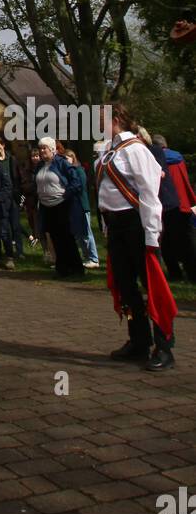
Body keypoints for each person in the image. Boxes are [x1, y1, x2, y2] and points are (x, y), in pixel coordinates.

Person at [97, 105, 177, 371]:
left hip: (136, 225)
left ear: (116, 120)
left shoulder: (136, 150)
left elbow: (149, 194)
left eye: (101, 120)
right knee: (126, 288)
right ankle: (138, 340)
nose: (96, 124)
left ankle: (164, 346)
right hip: (116, 226)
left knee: (151, 286)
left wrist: (152, 235)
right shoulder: (106, 151)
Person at [35, 137, 84, 278]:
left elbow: (76, 182)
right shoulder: (40, 166)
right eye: (40, 148)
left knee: (67, 237)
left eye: (45, 148)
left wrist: (65, 195)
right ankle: (62, 268)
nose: (42, 150)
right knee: (55, 238)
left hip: (62, 206)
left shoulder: (61, 163)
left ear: (52, 149)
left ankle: (76, 268)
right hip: (46, 207)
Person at [150, 133, 196, 283]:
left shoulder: (157, 159)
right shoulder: (179, 158)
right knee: (186, 240)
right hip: (183, 203)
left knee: (167, 242)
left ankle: (175, 273)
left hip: (169, 204)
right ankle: (191, 273)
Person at [64, 149, 99, 266]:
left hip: (81, 205)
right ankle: (86, 257)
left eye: (67, 158)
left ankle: (94, 258)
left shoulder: (79, 170)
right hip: (72, 206)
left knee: (86, 233)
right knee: (79, 234)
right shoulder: (67, 172)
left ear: (73, 158)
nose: (66, 161)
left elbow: (80, 186)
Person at [0, 137, 24, 257]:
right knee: (5, 226)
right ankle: (9, 251)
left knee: (16, 225)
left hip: (13, 196)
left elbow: (18, 177)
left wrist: (19, 193)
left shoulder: (12, 159)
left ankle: (20, 251)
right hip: (1, 197)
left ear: (3, 145)